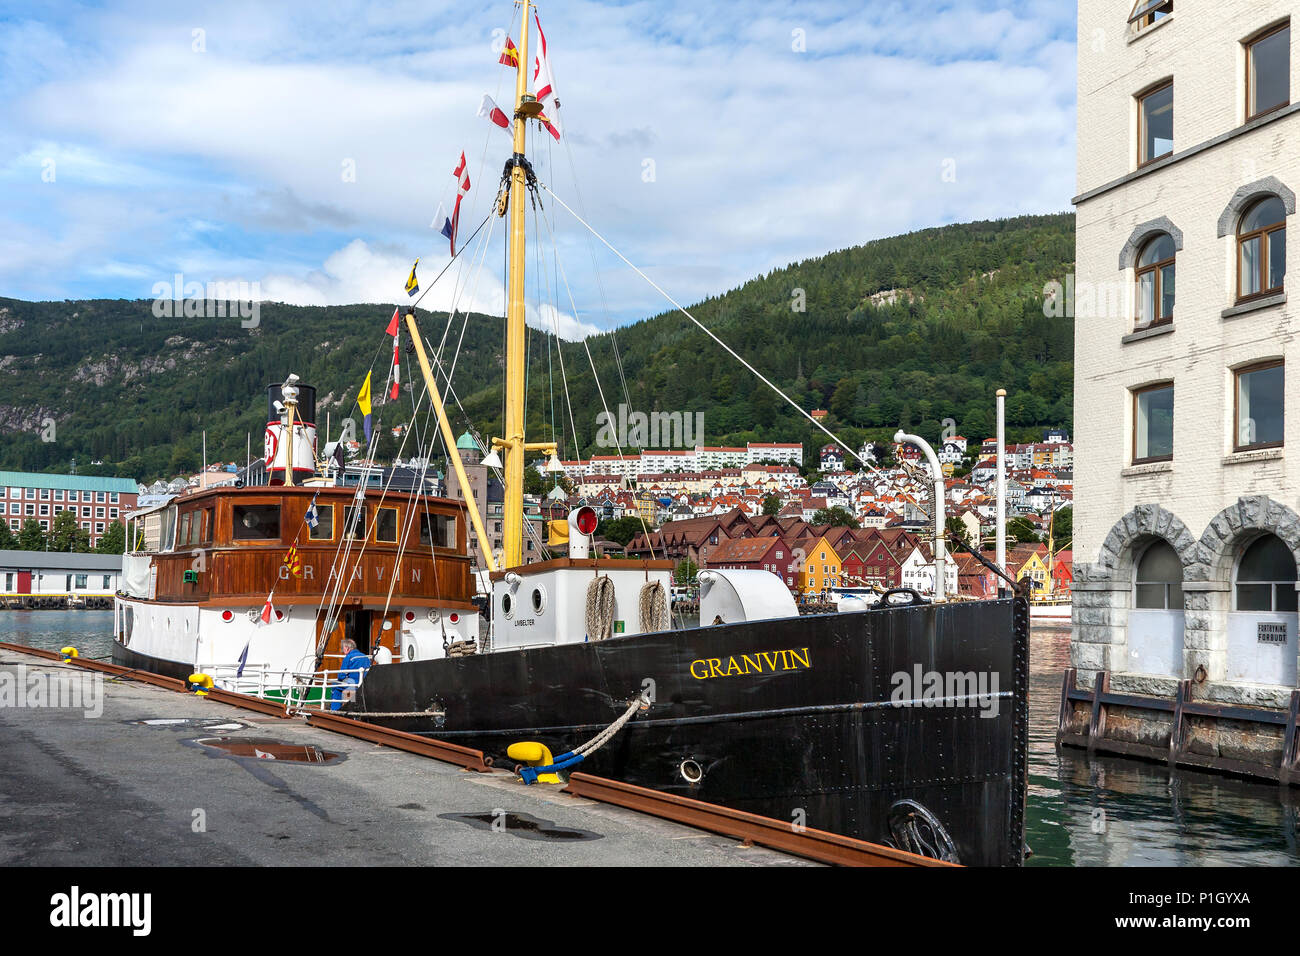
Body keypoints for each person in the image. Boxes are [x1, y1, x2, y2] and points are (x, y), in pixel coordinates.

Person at [330, 638, 372, 711]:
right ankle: (350, 705)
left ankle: (335, 710)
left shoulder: (349, 657)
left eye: (343, 648)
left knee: (336, 686)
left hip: (352, 684)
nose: (343, 651)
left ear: (347, 648)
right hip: (364, 684)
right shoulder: (365, 657)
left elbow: (341, 675)